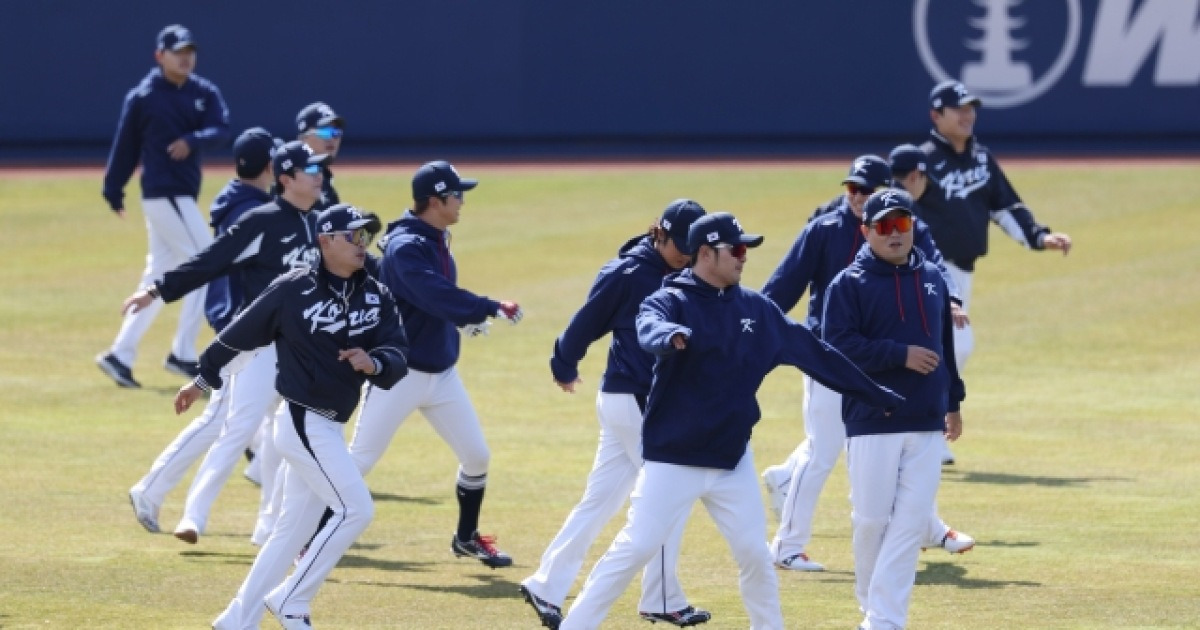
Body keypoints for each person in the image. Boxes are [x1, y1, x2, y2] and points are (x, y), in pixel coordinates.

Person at [558, 212, 903, 630]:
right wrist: (667, 337)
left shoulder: (757, 309)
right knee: (636, 547)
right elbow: (648, 324)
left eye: (746, 249)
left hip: (731, 461)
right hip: (672, 461)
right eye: (736, 249)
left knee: (755, 556)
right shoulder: (671, 299)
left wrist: (876, 395)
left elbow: (818, 355)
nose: (744, 257)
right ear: (705, 254)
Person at [178, 204, 408, 630]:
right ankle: (291, 599)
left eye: (366, 236)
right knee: (356, 510)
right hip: (302, 421)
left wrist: (375, 363)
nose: (363, 244)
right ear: (325, 241)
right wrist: (203, 381)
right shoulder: (292, 289)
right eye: (353, 236)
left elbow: (397, 352)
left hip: (329, 425)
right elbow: (237, 335)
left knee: (289, 535)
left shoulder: (376, 293)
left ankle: (236, 619)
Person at [758, 157, 971, 573]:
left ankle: (929, 526)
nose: (856, 196)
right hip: (830, 359)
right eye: (851, 188)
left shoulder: (907, 226)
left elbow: (936, 271)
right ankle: (786, 545)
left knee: (908, 443)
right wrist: (754, 334)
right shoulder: (821, 231)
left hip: (889, 369)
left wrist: (953, 300)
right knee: (823, 450)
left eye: (865, 190)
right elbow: (781, 288)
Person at [123, 141, 331, 541]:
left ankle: (268, 527)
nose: (320, 175)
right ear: (286, 178)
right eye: (311, 170)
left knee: (280, 434)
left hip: (300, 351)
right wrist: (157, 290)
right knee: (238, 428)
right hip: (256, 346)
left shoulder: (319, 224)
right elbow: (211, 260)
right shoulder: (262, 220)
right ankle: (194, 516)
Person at [520, 200, 712, 630]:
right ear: (659, 234)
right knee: (671, 493)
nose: (686, 252)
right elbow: (585, 323)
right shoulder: (627, 274)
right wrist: (564, 366)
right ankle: (662, 597)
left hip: (636, 401)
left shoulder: (683, 270)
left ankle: (545, 584)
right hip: (635, 400)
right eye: (680, 244)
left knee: (600, 501)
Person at [327, 160, 522, 568]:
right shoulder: (407, 246)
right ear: (435, 200)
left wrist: (458, 320)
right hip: (399, 374)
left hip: (442, 373)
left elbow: (428, 300)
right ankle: (309, 538)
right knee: (358, 461)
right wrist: (484, 308)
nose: (462, 201)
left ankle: (466, 538)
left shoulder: (433, 235)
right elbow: (431, 292)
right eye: (457, 195)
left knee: (477, 456)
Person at [822, 189, 965, 630]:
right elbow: (836, 347)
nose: (895, 234)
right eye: (884, 226)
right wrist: (897, 354)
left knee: (907, 525)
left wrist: (954, 401)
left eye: (902, 225)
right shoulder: (847, 284)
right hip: (871, 421)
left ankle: (884, 619)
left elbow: (945, 347)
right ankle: (871, 604)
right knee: (871, 520)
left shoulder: (934, 279)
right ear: (866, 232)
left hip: (925, 421)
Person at [96, 24, 231, 388]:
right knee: (207, 265)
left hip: (180, 195)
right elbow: (124, 146)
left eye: (190, 50)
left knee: (159, 277)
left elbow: (222, 130)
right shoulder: (143, 96)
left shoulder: (203, 91)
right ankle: (183, 355)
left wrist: (193, 138)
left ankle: (119, 355)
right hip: (163, 194)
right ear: (160, 56)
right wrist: (113, 189)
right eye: (177, 51)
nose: (186, 57)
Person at [918, 80, 1072, 374]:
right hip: (931, 269)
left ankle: (931, 413)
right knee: (956, 345)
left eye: (970, 108)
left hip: (963, 271)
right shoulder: (922, 162)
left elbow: (1006, 206)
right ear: (936, 116)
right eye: (958, 109)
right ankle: (928, 411)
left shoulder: (981, 159)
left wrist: (1040, 236)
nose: (967, 115)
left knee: (946, 349)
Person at [889, 143, 967, 465]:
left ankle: (931, 437)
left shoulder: (889, 207)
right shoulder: (906, 210)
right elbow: (933, 260)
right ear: (915, 175)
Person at [295, 101, 345, 209]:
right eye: (325, 132)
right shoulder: (294, 180)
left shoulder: (323, 178)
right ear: (303, 138)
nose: (332, 138)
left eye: (336, 132)